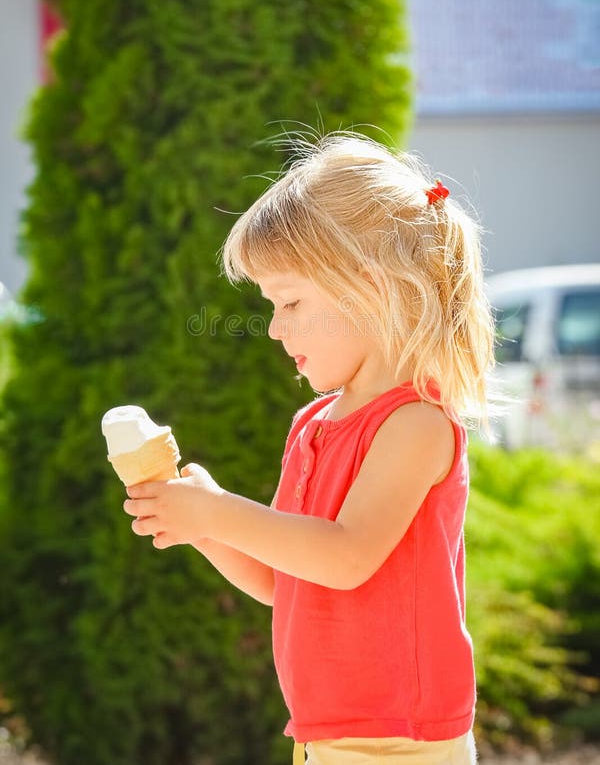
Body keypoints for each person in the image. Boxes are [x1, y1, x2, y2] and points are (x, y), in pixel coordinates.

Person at [124, 133, 496, 764]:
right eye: (271, 306)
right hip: (323, 733)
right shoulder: (313, 425)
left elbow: (346, 556)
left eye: (291, 301)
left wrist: (220, 514)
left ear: (371, 287)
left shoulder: (416, 424)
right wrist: (203, 524)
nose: (274, 326)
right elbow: (281, 579)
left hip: (401, 741)